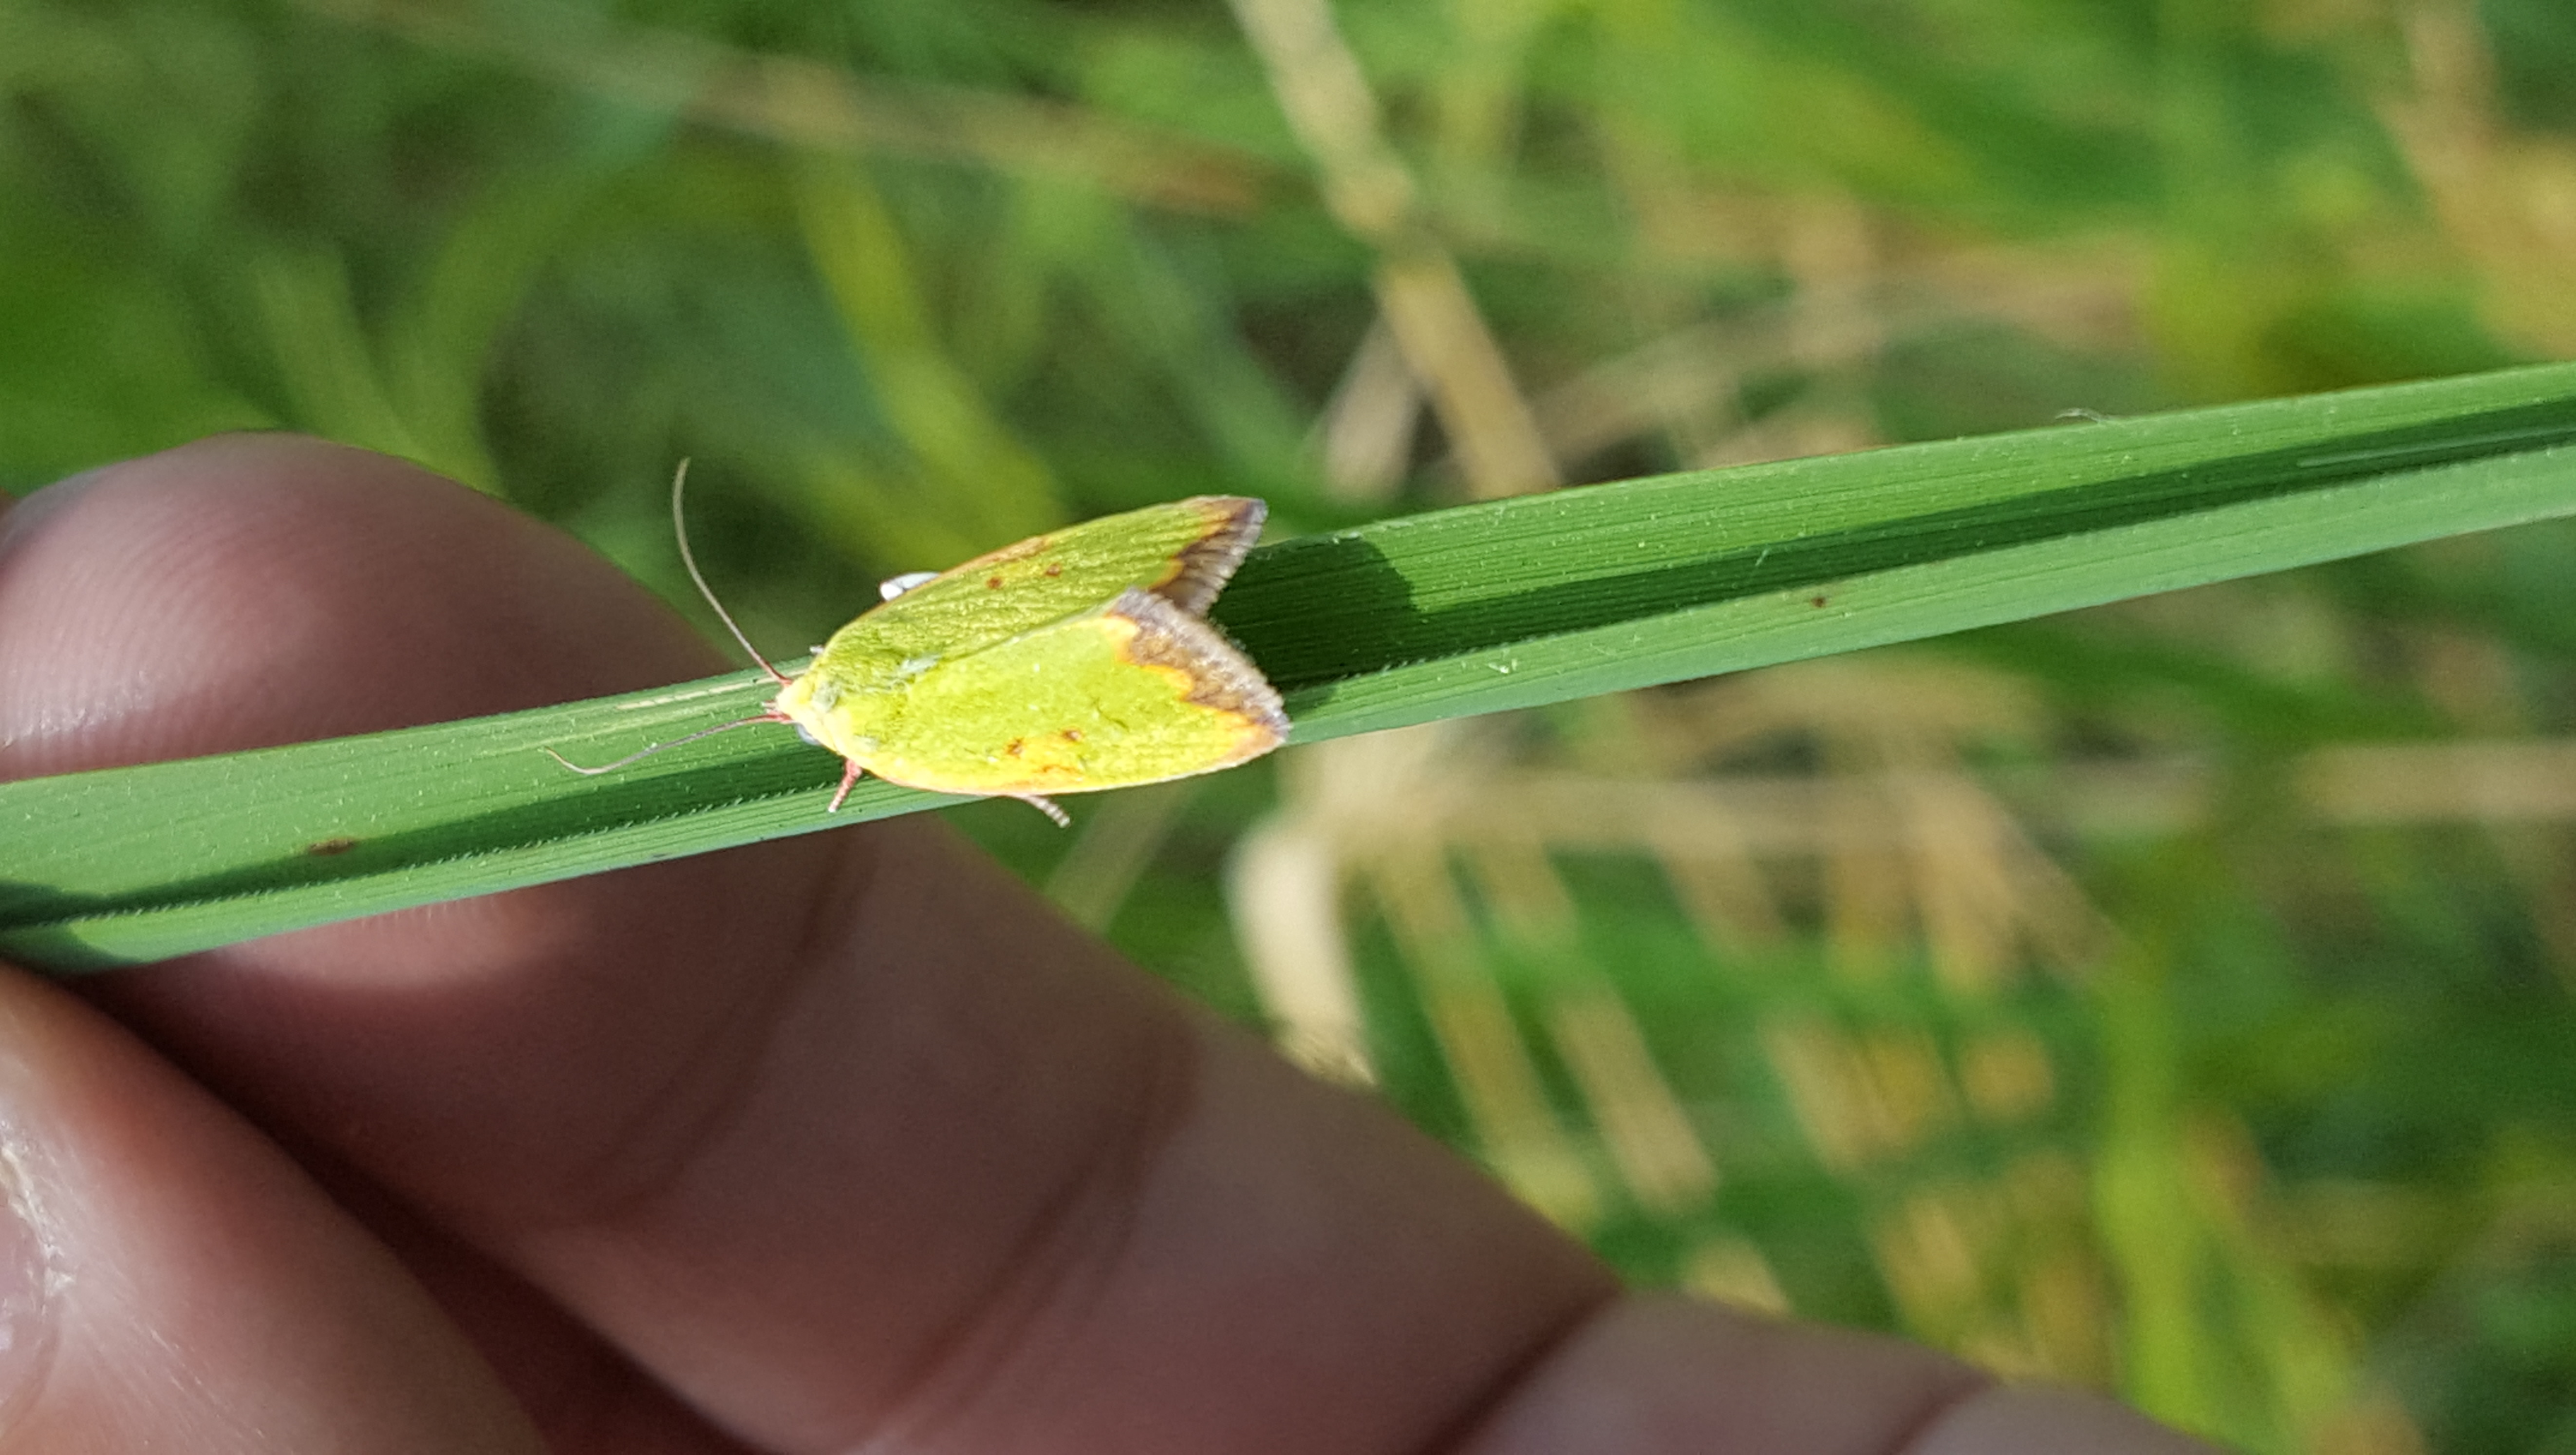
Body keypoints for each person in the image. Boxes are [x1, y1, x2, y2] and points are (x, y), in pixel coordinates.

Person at [0, 435, 2216, 1451]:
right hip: (1021, 629)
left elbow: (922, 710)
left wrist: (930, 739)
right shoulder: (865, 667)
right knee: (897, 650)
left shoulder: (867, 727)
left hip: (1040, 699)